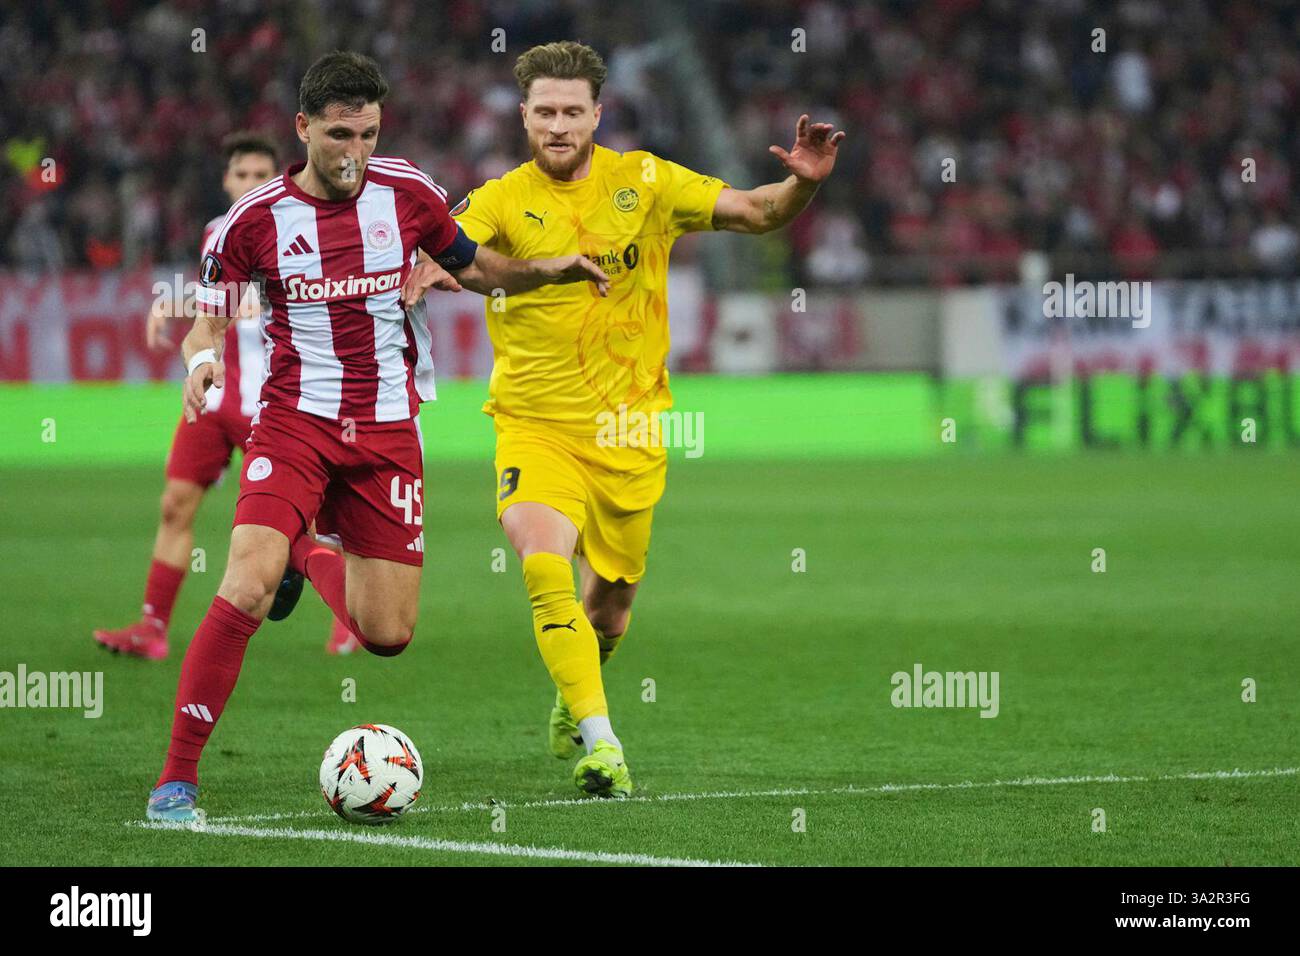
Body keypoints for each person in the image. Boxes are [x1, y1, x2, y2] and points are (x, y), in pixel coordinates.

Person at [146, 50, 608, 822]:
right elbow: (208, 325)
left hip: (389, 431)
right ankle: (176, 782)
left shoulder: (409, 194)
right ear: (303, 129)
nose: (353, 152)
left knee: (387, 634)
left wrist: (550, 269)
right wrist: (201, 364)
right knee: (244, 587)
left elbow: (477, 265)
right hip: (293, 424)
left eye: (365, 134)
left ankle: (307, 551)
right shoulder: (252, 222)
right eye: (337, 136)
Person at [403, 41, 845, 797]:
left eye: (573, 111)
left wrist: (799, 186)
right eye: (544, 111)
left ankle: (573, 691)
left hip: (634, 434)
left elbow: (758, 210)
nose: (558, 125)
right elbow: (455, 251)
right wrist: (438, 266)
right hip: (534, 425)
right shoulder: (500, 198)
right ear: (524, 116)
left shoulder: (646, 180)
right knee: (545, 565)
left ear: (597, 114)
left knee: (609, 607)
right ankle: (603, 743)